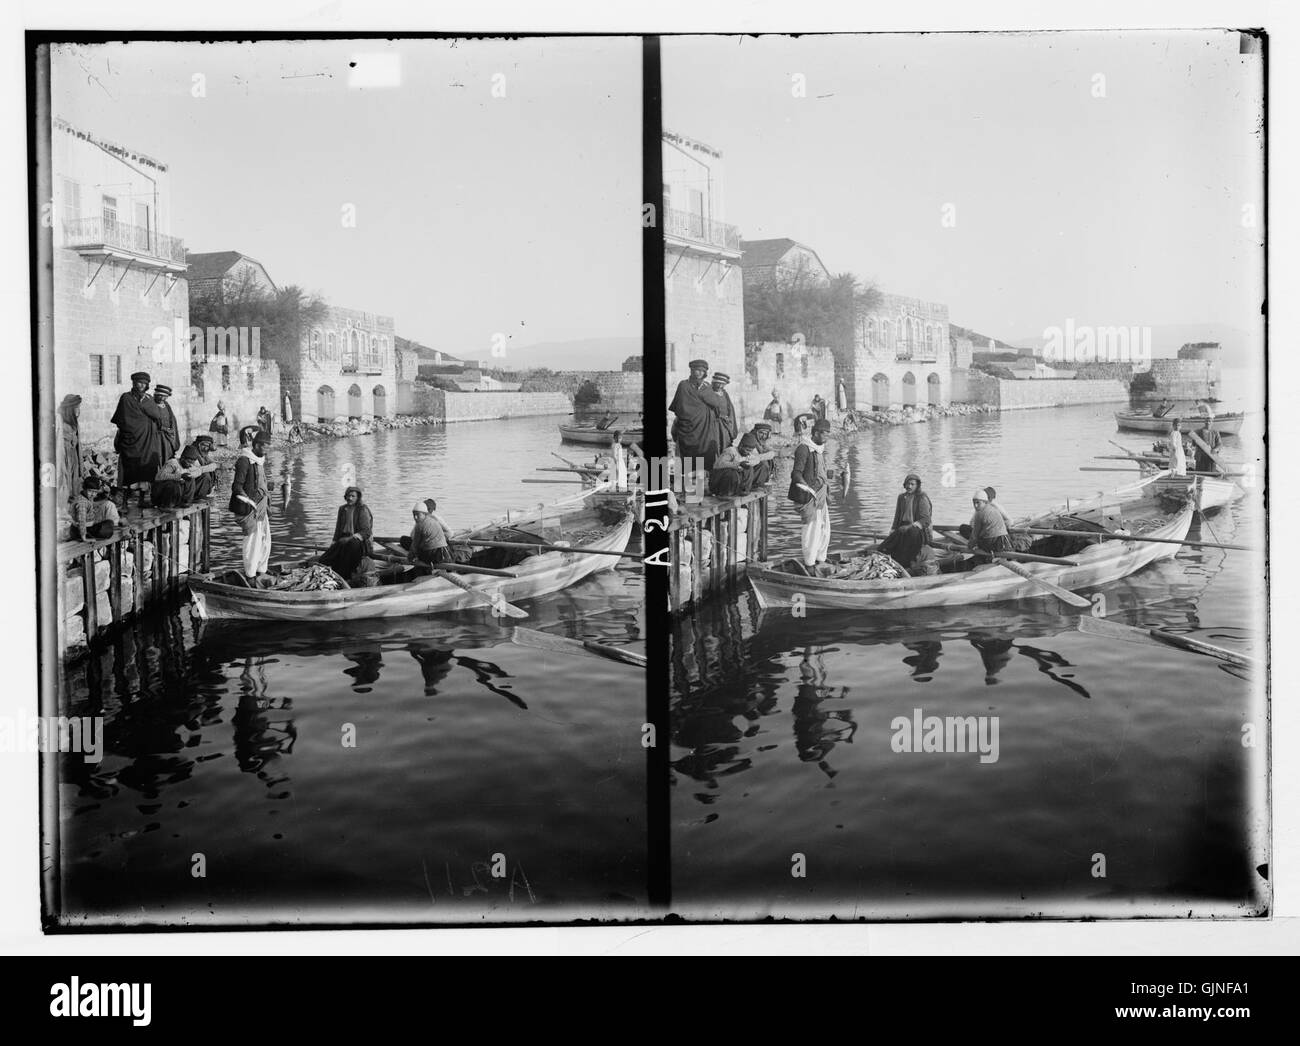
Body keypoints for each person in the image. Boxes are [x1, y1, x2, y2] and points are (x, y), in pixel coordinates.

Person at [110, 371, 167, 494]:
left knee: (147, 466)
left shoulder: (149, 399)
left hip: (147, 440)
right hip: (130, 439)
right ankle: (127, 495)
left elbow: (156, 415)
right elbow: (121, 419)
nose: (141, 385)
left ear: (147, 385)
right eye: (138, 382)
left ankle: (144, 495)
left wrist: (145, 405)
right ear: (134, 383)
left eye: (144, 383)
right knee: (130, 468)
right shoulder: (126, 397)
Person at [789, 418, 833, 570]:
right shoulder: (804, 448)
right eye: (822, 433)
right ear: (814, 433)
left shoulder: (820, 449)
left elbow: (819, 471)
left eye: (828, 434)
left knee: (825, 529)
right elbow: (796, 473)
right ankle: (809, 564)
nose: (825, 437)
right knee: (811, 531)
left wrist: (830, 479)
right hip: (809, 496)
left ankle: (821, 560)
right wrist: (807, 488)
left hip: (821, 496)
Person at [229, 426, 272, 583]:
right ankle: (251, 576)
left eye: (268, 447)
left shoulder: (259, 460)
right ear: (256, 445)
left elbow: (258, 483)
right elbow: (237, 486)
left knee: (265, 541)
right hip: (248, 509)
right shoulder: (244, 460)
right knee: (252, 544)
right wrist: (249, 501)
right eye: (264, 447)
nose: (266, 451)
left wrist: (268, 487)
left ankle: (261, 572)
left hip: (261, 509)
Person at [669, 359, 728, 471]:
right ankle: (686, 483)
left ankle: (704, 483)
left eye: (703, 370)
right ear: (692, 370)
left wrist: (704, 392)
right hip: (687, 429)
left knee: (705, 455)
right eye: (697, 370)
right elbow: (680, 407)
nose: (700, 373)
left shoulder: (707, 387)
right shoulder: (683, 385)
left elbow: (715, 404)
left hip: (705, 429)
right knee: (687, 460)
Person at [878, 473, 933, 571]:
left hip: (917, 531)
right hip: (902, 528)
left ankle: (906, 563)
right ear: (904, 484)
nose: (909, 486)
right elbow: (897, 516)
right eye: (907, 484)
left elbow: (926, 520)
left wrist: (909, 527)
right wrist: (893, 530)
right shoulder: (901, 497)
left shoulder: (921, 498)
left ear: (917, 486)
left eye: (912, 484)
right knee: (884, 547)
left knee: (905, 550)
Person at [320, 486, 374, 580]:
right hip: (343, 540)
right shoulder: (342, 509)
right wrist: (334, 543)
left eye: (353, 496)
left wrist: (350, 538)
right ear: (345, 496)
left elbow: (366, 531)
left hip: (358, 542)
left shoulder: (362, 509)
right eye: (348, 496)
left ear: (358, 498)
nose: (350, 498)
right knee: (323, 560)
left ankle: (345, 576)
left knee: (351, 549)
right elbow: (338, 529)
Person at [963, 487, 1013, 559]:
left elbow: (974, 535)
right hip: (1004, 541)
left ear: (985, 502)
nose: (975, 506)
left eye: (978, 503)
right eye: (974, 503)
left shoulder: (979, 513)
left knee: (966, 531)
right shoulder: (993, 508)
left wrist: (969, 547)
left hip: (994, 543)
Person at [403, 499, 452, 567]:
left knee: (405, 541)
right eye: (414, 515)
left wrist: (409, 558)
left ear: (424, 514)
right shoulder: (434, 519)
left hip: (434, 556)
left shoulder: (419, 525)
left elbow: (414, 545)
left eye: (418, 515)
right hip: (445, 554)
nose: (415, 517)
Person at [69, 475, 120, 540]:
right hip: (82, 530)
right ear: (84, 488)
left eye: (95, 492)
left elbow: (93, 504)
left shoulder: (86, 497)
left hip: (89, 525)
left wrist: (106, 495)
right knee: (107, 527)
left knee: (109, 520)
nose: (93, 494)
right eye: (90, 491)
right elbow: (81, 521)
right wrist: (84, 537)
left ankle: (112, 527)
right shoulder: (82, 503)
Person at [58, 394, 83, 510]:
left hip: (73, 456)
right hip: (63, 456)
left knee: (74, 482)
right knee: (64, 482)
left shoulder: (74, 422)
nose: (78, 410)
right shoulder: (60, 421)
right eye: (76, 407)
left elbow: (78, 442)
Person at [179, 434, 221, 499]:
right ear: (199, 444)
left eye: (208, 446)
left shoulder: (202, 453)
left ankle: (203, 493)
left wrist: (213, 466)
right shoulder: (192, 451)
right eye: (205, 445)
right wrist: (207, 468)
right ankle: (198, 497)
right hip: (188, 481)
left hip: (194, 480)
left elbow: (212, 463)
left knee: (209, 473)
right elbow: (193, 468)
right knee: (205, 476)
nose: (206, 448)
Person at [153, 384, 181, 462]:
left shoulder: (167, 405)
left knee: (168, 453)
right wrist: (163, 428)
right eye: (160, 396)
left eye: (165, 396)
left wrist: (171, 430)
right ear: (156, 395)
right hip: (156, 436)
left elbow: (172, 419)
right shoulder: (151, 405)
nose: (162, 398)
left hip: (167, 437)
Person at [711, 372, 739, 448]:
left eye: (722, 384)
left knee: (725, 442)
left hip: (724, 424)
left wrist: (729, 420)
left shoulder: (725, 393)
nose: (720, 386)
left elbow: (730, 408)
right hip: (712, 423)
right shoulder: (708, 393)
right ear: (714, 382)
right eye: (718, 383)